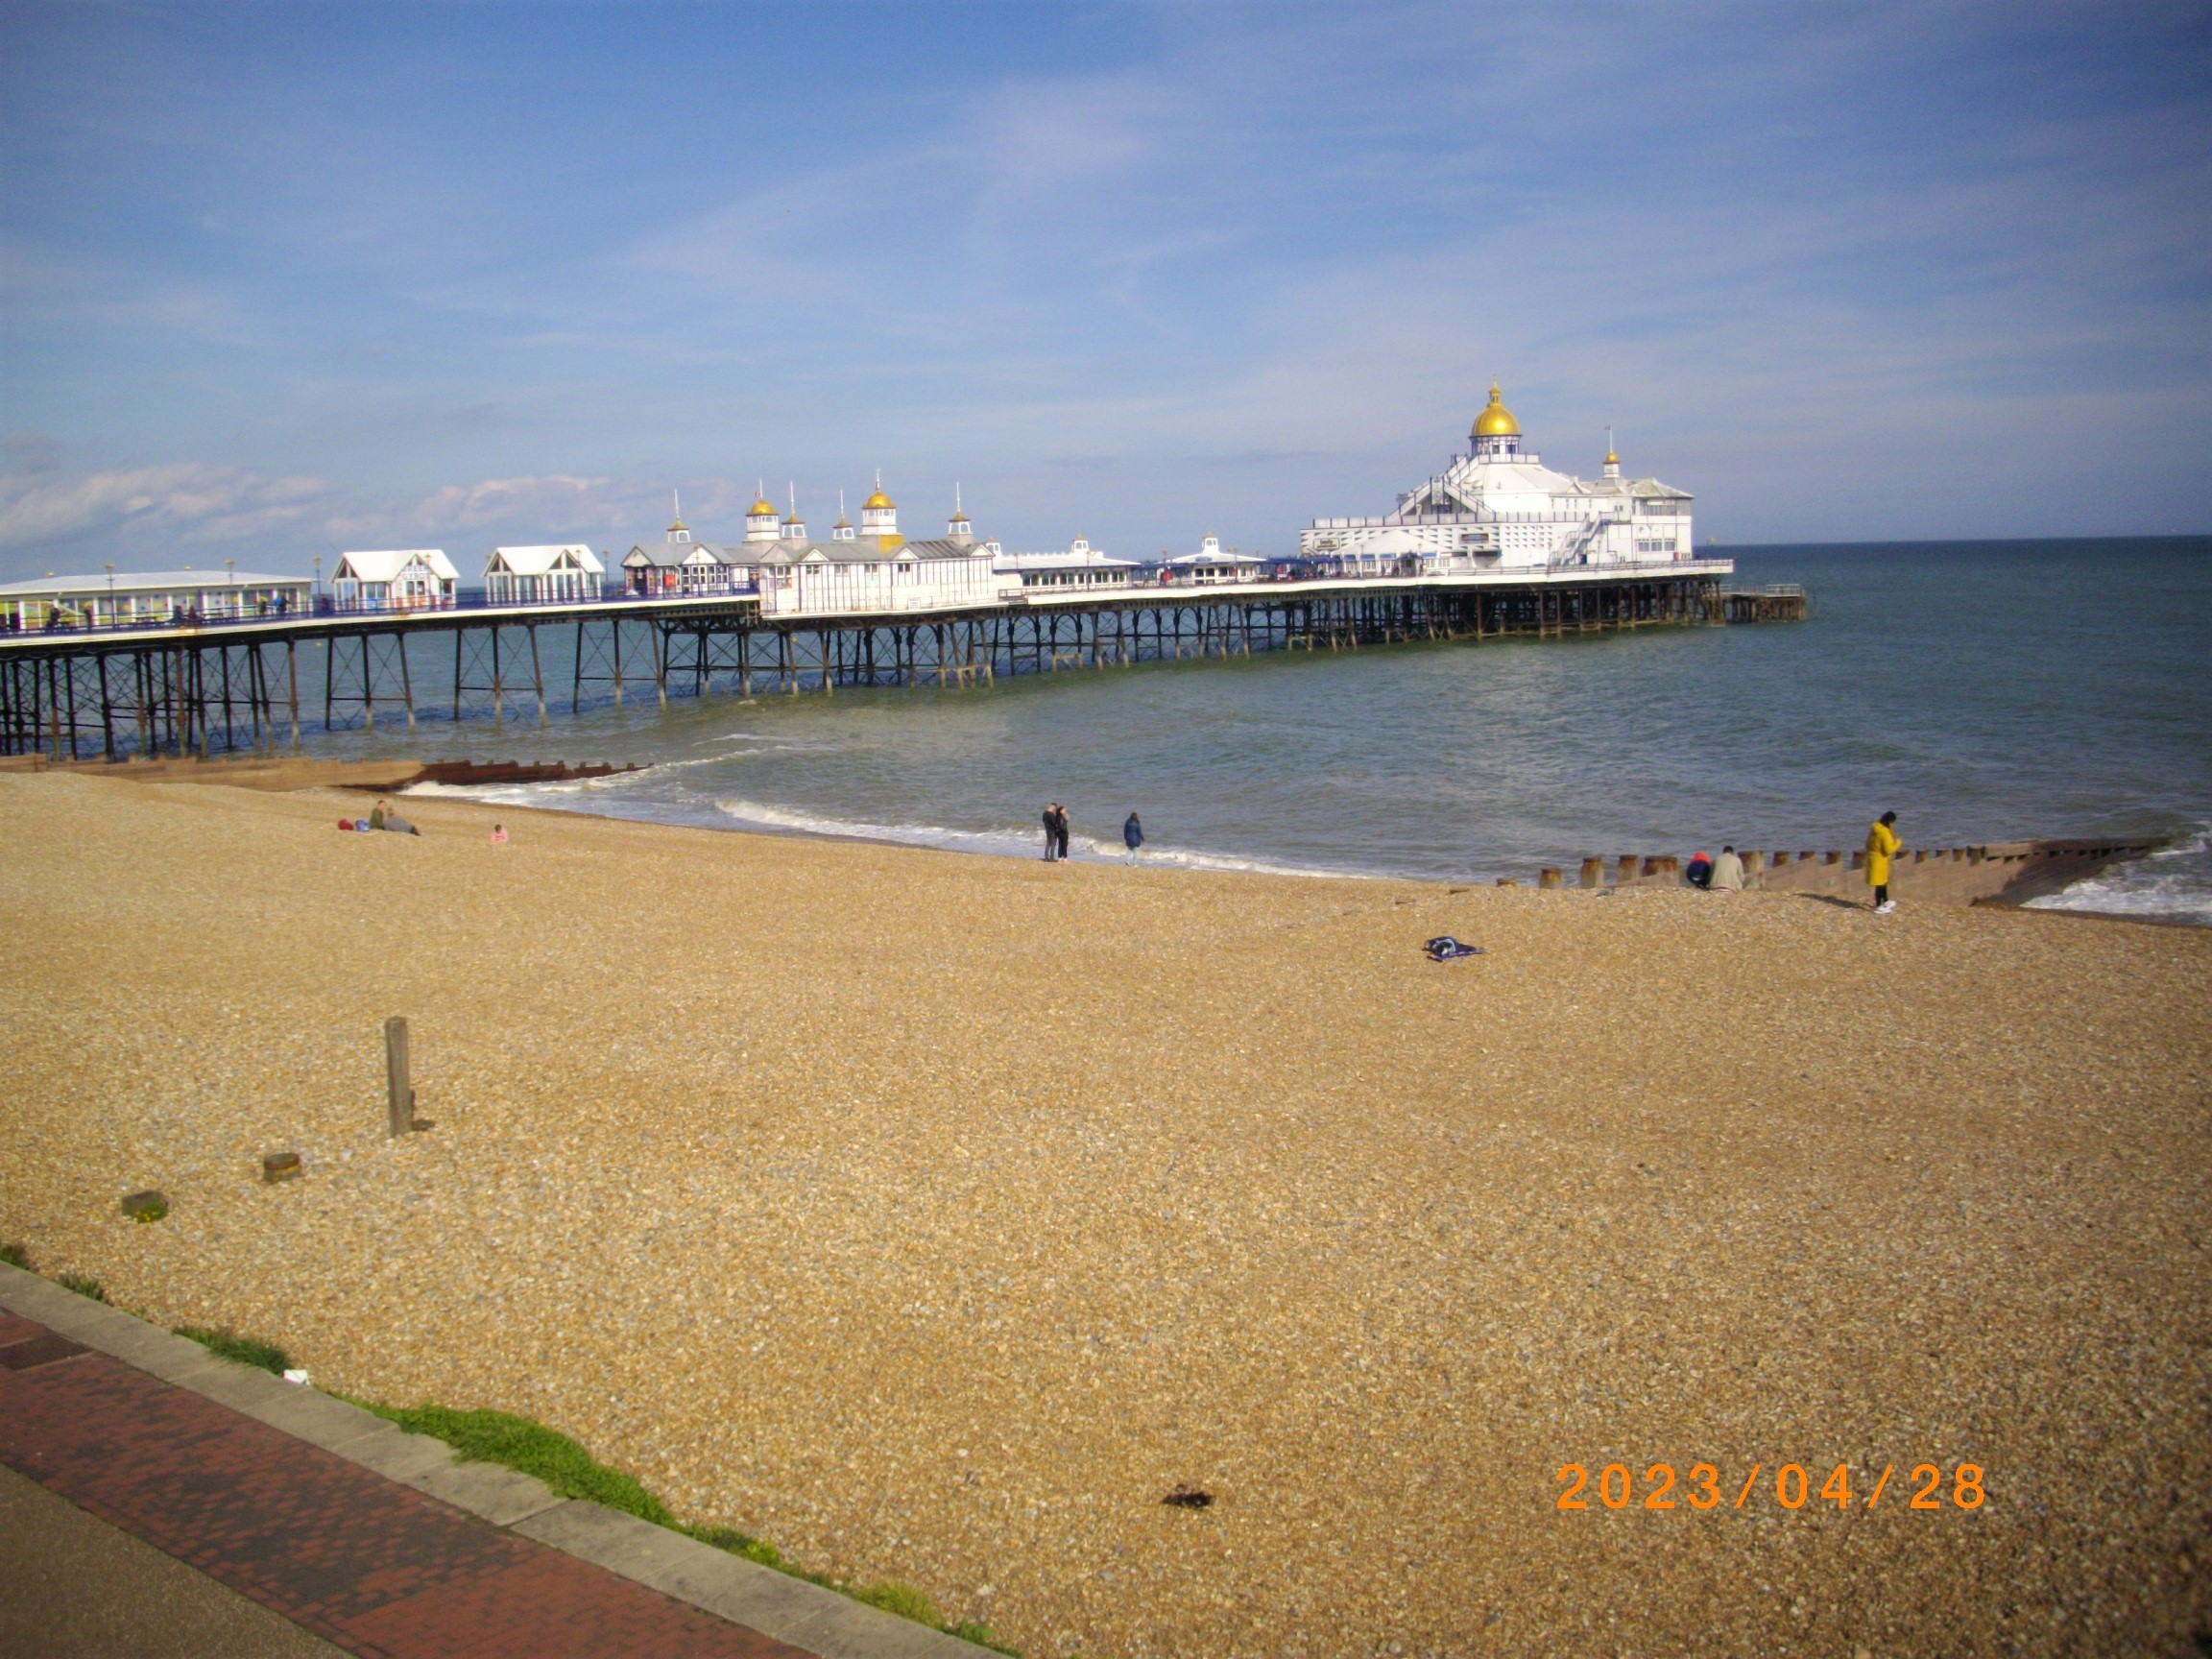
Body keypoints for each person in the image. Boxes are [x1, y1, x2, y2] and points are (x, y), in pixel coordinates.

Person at [1866, 810, 1900, 913]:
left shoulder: (1875, 829)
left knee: (1883, 882)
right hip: (1880, 860)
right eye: (1893, 822)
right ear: (1890, 822)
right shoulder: (1884, 833)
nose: (1894, 825)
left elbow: (1867, 844)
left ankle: (1885, 901)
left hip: (1874, 858)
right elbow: (1888, 850)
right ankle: (1878, 906)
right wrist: (1898, 842)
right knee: (1880, 884)